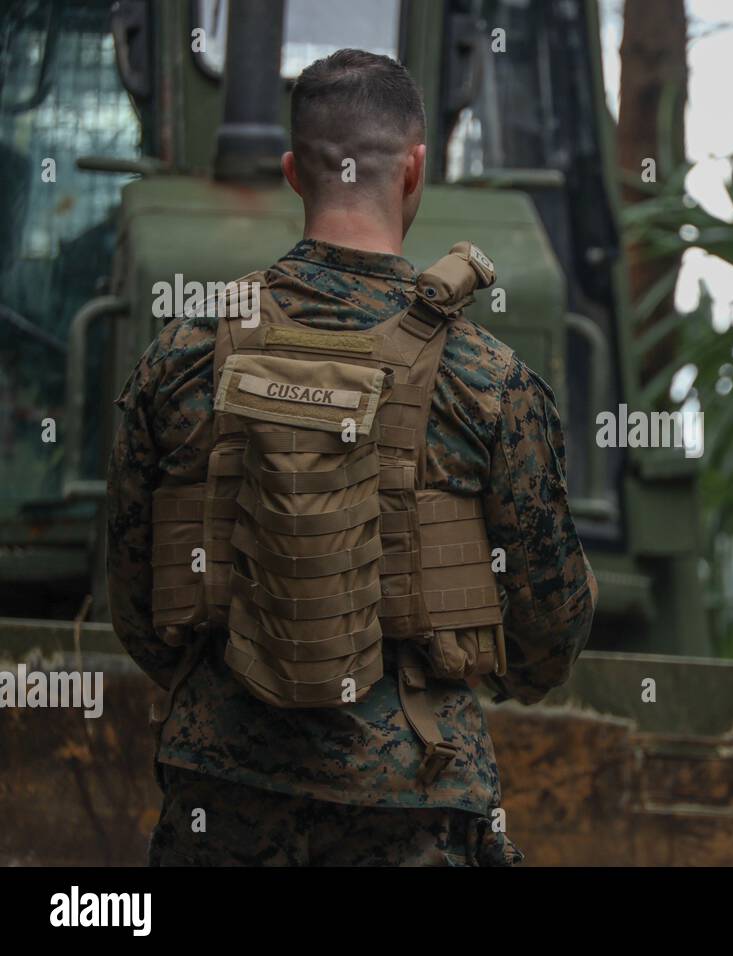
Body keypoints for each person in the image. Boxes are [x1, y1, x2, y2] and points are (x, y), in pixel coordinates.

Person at [106, 49, 597, 866]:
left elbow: (134, 600)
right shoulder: (490, 380)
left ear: (294, 171)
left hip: (221, 792)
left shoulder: (182, 354)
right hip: (417, 796)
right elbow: (549, 630)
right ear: (415, 171)